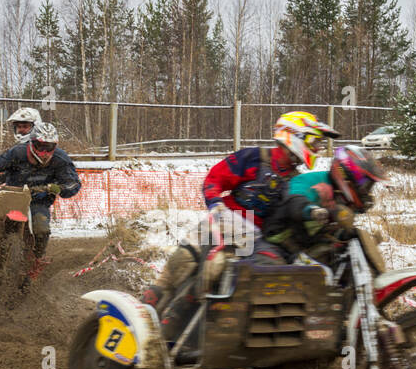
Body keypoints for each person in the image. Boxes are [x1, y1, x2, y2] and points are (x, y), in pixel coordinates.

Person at [141, 111, 339, 322]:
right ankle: (141, 313)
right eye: (314, 141)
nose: (317, 148)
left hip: (253, 242)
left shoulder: (297, 182)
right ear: (295, 135)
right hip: (223, 222)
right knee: (181, 263)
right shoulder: (254, 157)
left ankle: (175, 327)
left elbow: (295, 211)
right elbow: (214, 178)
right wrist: (215, 203)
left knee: (213, 276)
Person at [0, 120, 80, 259]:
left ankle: (37, 259)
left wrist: (59, 188)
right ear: (32, 143)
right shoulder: (18, 152)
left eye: (49, 147)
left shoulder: (60, 159)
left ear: (55, 146)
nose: (44, 152)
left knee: (41, 230)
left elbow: (73, 183)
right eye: (40, 146)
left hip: (38, 201)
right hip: (9, 195)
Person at [261, 144, 387, 265]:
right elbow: (294, 200)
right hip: (278, 242)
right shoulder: (311, 180)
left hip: (306, 246)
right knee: (273, 275)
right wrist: (312, 210)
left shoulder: (345, 200)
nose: (367, 191)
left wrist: (352, 235)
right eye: (366, 185)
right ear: (347, 175)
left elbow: (331, 230)